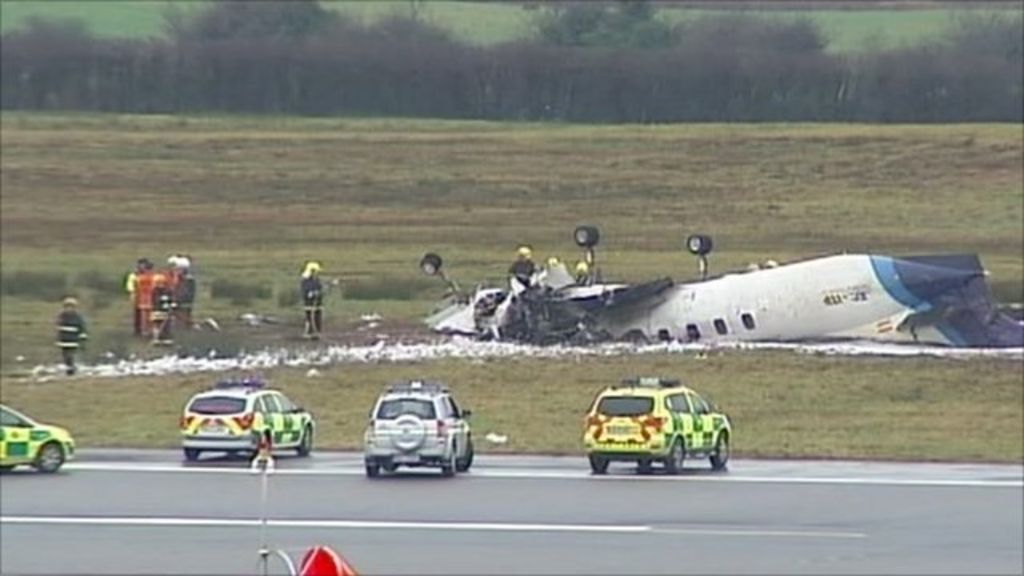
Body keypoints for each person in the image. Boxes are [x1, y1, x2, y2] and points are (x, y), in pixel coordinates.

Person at [55, 297, 88, 376]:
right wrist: (58, 339)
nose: (69, 309)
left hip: (73, 341)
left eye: (71, 307)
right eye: (67, 307)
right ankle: (70, 369)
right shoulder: (62, 316)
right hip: (64, 342)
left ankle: (72, 370)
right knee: (65, 356)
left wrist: (82, 340)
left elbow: (82, 329)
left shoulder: (78, 317)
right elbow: (59, 328)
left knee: (71, 356)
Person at [300, 261, 324, 340]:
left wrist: (319, 293)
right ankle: (308, 333)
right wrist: (311, 294)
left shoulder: (317, 280)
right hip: (309, 304)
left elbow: (320, 288)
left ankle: (317, 333)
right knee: (309, 318)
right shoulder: (305, 281)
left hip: (318, 304)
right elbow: (305, 291)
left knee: (318, 318)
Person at [150, 272, 175, 345]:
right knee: (157, 324)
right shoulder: (154, 290)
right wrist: (161, 301)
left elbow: (171, 298)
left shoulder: (168, 290)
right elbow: (155, 300)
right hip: (157, 310)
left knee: (167, 324)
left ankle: (165, 338)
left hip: (165, 311)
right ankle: (156, 338)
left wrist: (170, 304)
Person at [135, 259, 156, 339]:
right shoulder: (144, 276)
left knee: (148, 315)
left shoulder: (146, 277)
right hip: (144, 297)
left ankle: (148, 331)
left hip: (148, 297)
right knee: (145, 315)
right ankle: (146, 331)